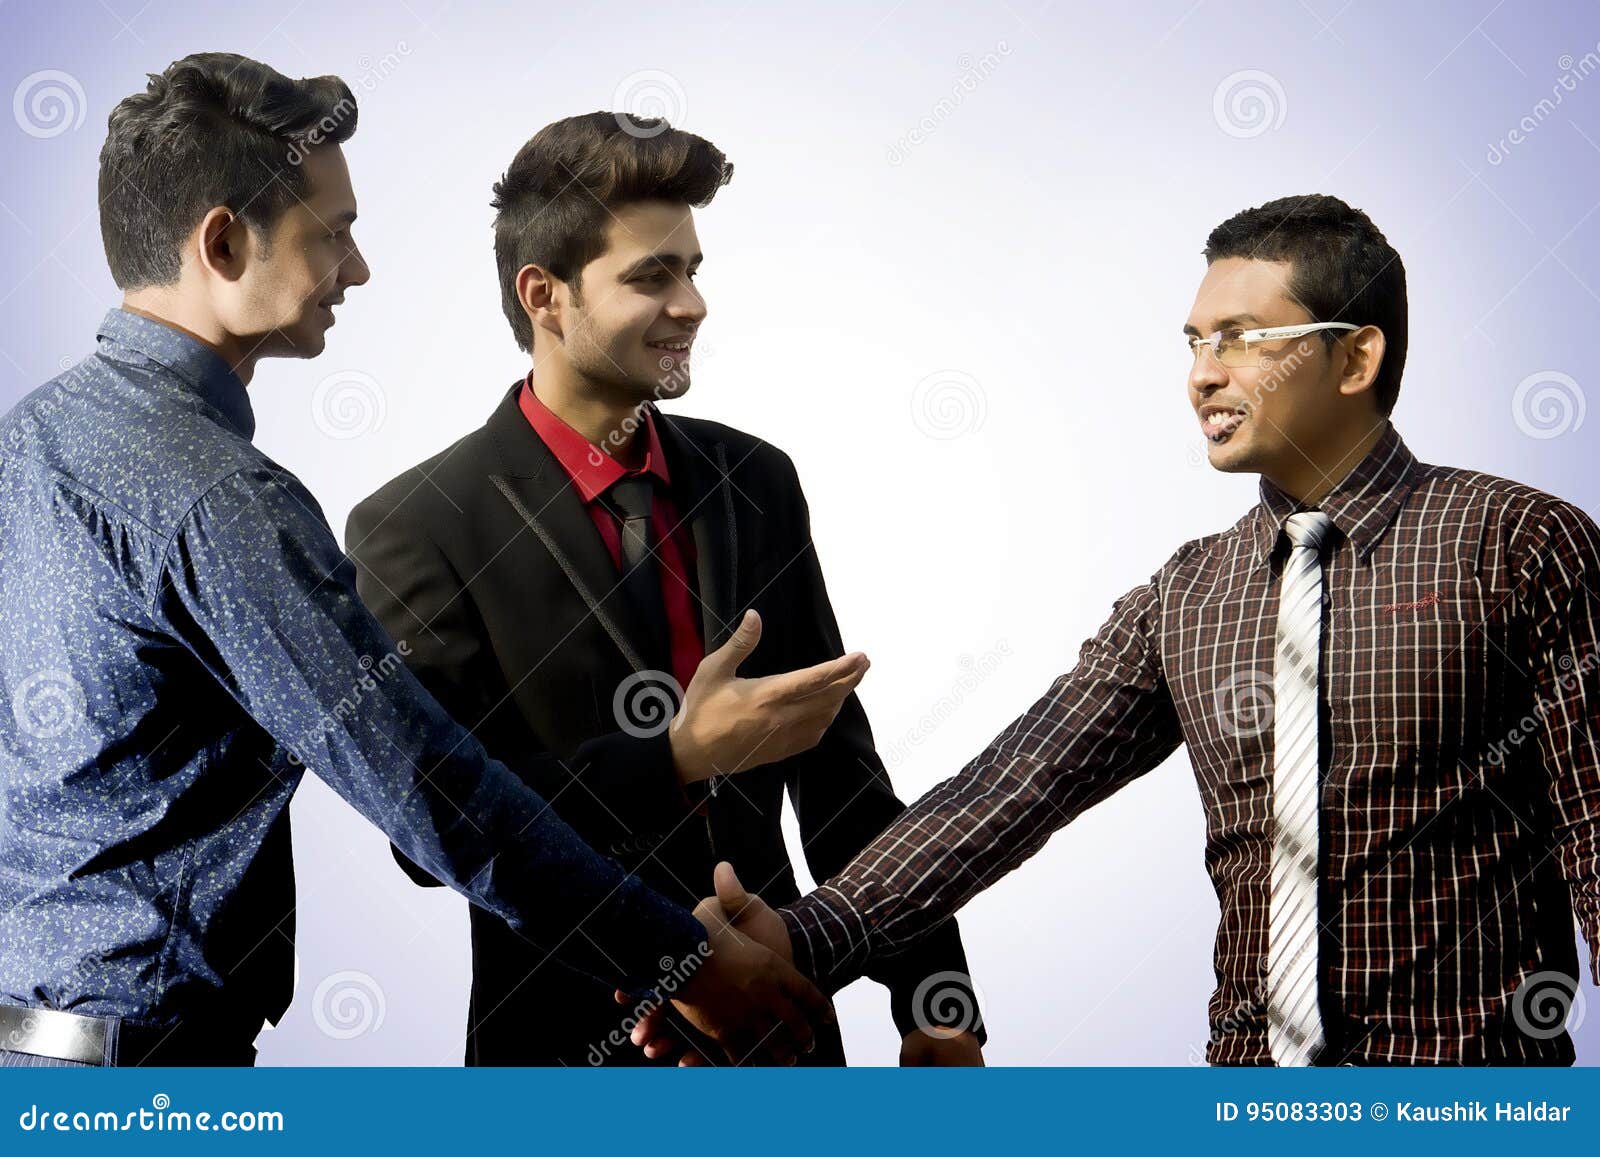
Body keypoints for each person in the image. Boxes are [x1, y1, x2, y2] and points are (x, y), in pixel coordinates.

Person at [0, 53, 834, 1068]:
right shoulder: (221, 500)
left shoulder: (28, 438)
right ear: (223, 241)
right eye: (335, 233)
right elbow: (427, 790)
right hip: (141, 1081)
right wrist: (682, 960)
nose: (357, 269)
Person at [641, 194, 1600, 1066]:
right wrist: (805, 936)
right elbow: (1014, 789)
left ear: (1355, 356)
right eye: (1192, 342)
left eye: (1241, 339)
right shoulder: (1187, 594)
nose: (1202, 376)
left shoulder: (1520, 545)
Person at [346, 112, 984, 1066]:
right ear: (545, 296)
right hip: (563, 1055)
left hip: (783, 1039)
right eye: (653, 276)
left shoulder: (755, 481)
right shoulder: (418, 524)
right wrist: (674, 752)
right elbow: (434, 829)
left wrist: (935, 1003)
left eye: (693, 269)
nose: (693, 303)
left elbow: (842, 775)